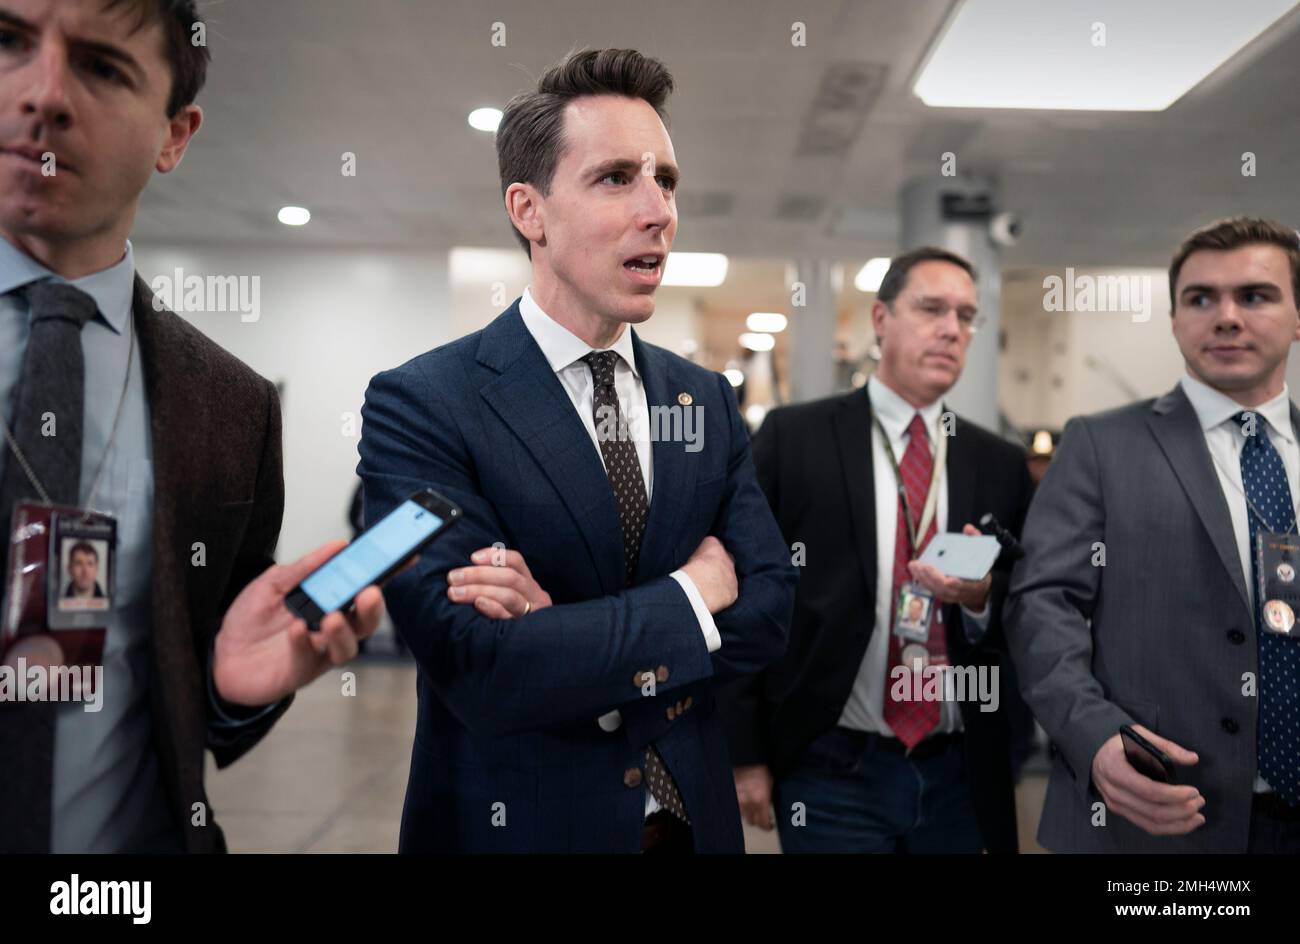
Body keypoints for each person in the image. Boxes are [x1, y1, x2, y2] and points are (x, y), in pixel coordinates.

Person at [358, 47, 796, 853]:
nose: (658, 209)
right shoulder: (425, 403)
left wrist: (562, 635)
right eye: (615, 178)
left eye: (665, 179)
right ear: (530, 210)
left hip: (692, 829)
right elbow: (479, 667)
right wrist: (693, 598)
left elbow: (769, 612)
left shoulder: (702, 401)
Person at [0, 0, 383, 853]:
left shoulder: (231, 407)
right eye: (8, 41)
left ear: (175, 134)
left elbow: (200, 694)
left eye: (102, 66)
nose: (45, 93)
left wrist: (236, 689)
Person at [721, 247, 1034, 853]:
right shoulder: (796, 438)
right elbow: (741, 592)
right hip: (831, 764)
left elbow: (1022, 612)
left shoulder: (997, 462)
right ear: (881, 319)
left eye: (967, 316)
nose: (951, 329)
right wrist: (745, 752)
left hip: (961, 770)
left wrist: (978, 600)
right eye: (931, 308)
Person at [1006, 217, 1300, 853]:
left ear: (1298, 315)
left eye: (1255, 296)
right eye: (1200, 299)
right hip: (1155, 817)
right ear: (1174, 320)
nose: (1225, 317)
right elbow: (1041, 606)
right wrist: (1094, 737)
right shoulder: (1101, 445)